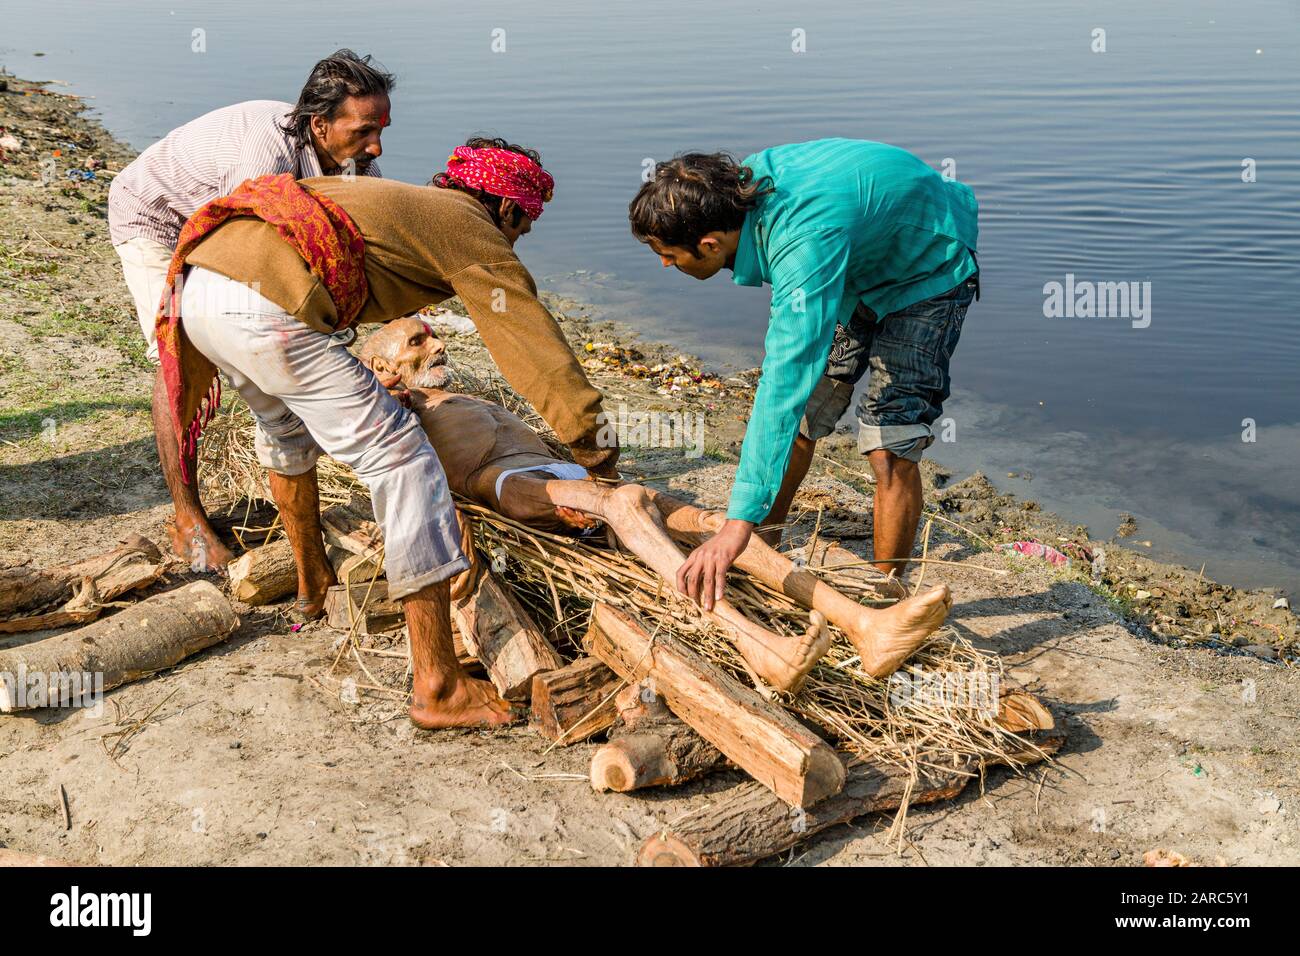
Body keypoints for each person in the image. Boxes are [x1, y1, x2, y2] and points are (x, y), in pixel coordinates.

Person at [158, 141, 617, 729]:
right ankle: (438, 684)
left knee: (286, 430)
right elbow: (534, 346)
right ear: (502, 205)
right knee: (403, 458)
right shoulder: (467, 226)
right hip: (268, 305)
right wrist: (592, 441)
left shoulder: (405, 204)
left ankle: (311, 587)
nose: (523, 234)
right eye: (525, 219)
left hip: (203, 290)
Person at [358, 318, 953, 690]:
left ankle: (865, 623)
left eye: (432, 332)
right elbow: (379, 456)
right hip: (509, 484)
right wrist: (383, 392)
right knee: (625, 508)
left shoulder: (451, 391)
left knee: (716, 525)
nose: (435, 342)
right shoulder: (388, 406)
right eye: (417, 339)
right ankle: (756, 642)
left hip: (550, 468)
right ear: (383, 363)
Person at [628, 139, 978, 612]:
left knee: (889, 441)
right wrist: (744, 528)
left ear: (709, 244)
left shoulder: (803, 247)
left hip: (926, 265)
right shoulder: (731, 193)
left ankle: (882, 599)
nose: (666, 264)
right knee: (803, 418)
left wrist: (733, 523)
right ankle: (760, 547)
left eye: (668, 254)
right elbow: (791, 399)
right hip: (854, 261)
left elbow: (782, 381)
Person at [108, 49, 394, 570]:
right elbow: (244, 259)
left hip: (226, 228)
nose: (376, 144)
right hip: (158, 220)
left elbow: (363, 232)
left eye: (382, 128)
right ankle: (186, 515)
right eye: (363, 131)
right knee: (182, 353)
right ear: (319, 124)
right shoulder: (264, 160)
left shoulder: (356, 159)